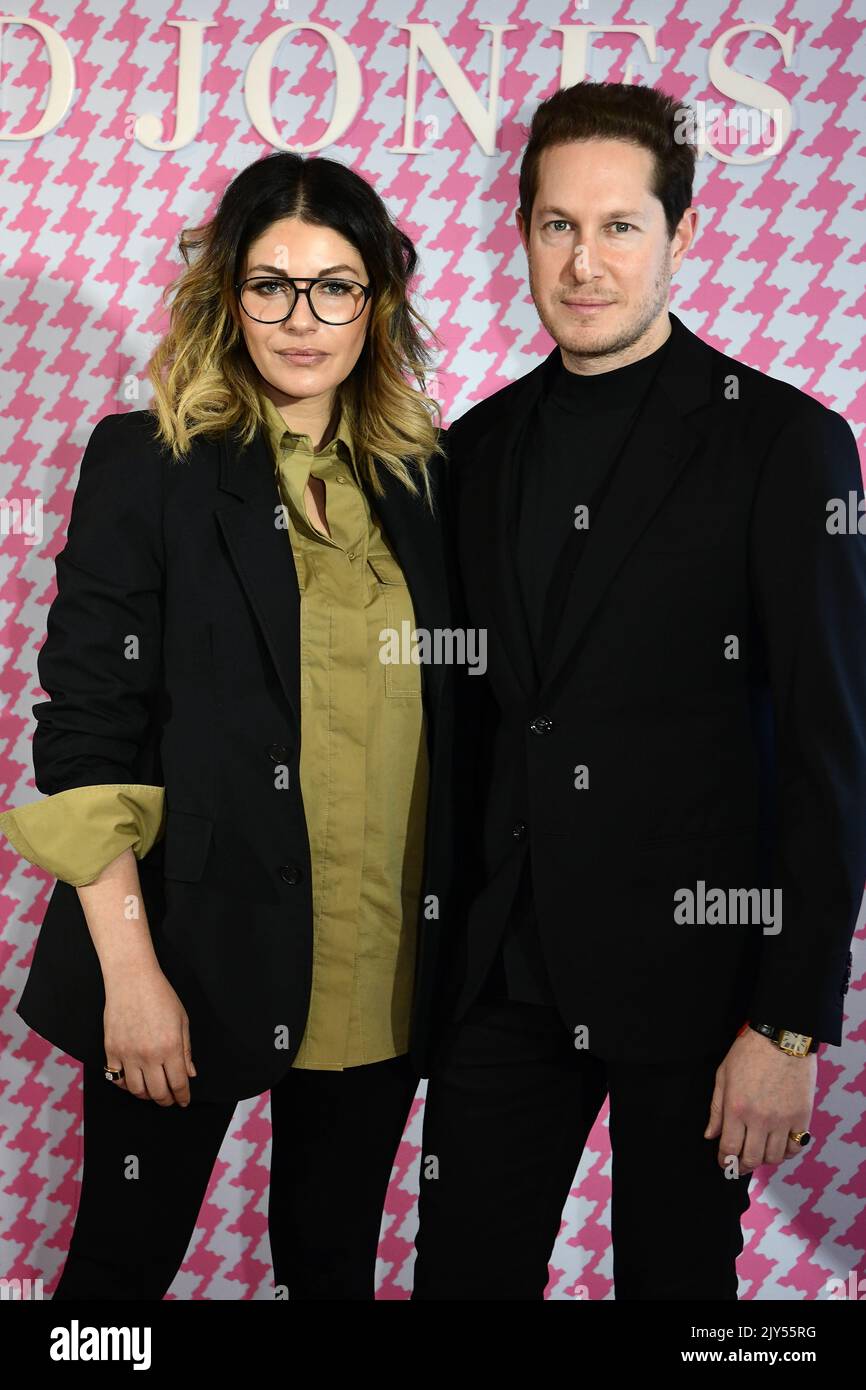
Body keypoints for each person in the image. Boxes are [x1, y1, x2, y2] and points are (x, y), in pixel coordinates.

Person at [413, 79, 866, 1300]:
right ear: (519, 233)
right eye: (557, 224)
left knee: (678, 1297)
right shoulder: (476, 447)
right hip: (502, 980)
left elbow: (833, 749)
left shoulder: (784, 443)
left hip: (700, 988)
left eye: (619, 225)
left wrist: (785, 1024)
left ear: (681, 234)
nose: (584, 260)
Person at [0, 150, 458, 1300]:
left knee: (331, 1267)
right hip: (184, 956)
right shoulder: (147, 464)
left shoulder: (426, 482)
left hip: (381, 962)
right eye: (271, 283)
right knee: (114, 1277)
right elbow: (85, 733)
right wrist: (131, 975)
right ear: (229, 295)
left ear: (377, 301)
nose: (302, 318)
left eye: (335, 285)